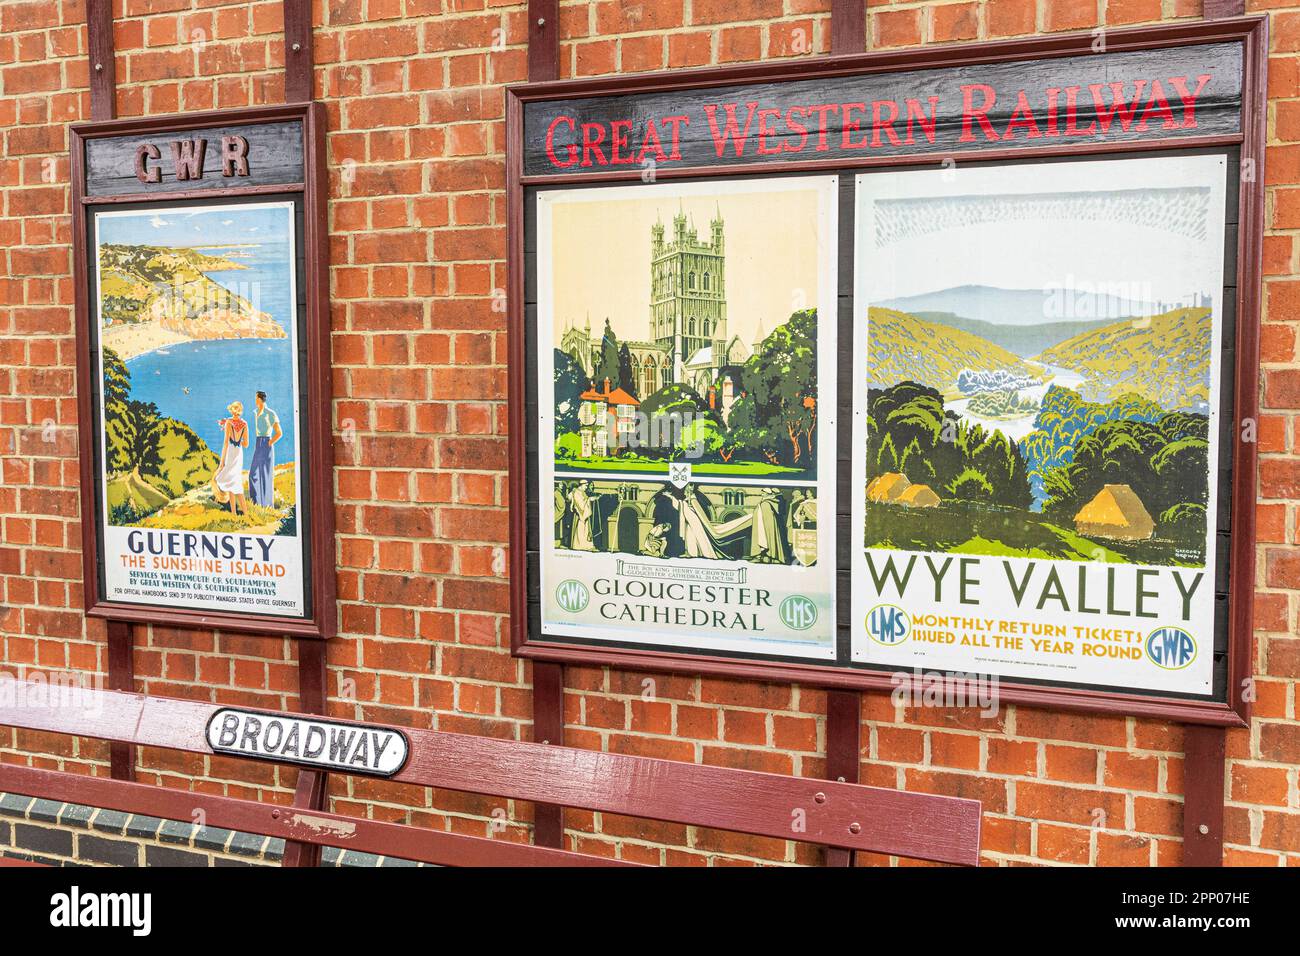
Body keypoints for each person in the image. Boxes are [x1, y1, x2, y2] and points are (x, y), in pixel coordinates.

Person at [212, 401, 250, 516]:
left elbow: (225, 443)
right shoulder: (244, 424)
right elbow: (246, 444)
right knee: (234, 480)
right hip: (238, 453)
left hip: (230, 453)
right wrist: (239, 442)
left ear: (232, 410)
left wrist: (221, 462)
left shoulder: (229, 422)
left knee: (231, 481)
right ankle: (236, 513)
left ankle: (243, 514)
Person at [248, 390, 281, 508]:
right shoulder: (256, 412)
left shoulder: (270, 413)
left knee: (266, 475)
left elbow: (279, 433)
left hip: (266, 442)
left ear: (260, 399)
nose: (255, 400)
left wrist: (270, 442)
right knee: (253, 474)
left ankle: (267, 506)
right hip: (258, 443)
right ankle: (256, 504)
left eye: (256, 398)